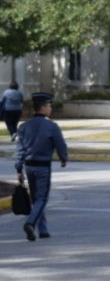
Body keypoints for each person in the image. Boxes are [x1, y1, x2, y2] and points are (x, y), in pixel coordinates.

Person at [14, 92, 68, 241]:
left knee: (36, 197)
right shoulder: (51, 126)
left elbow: (20, 149)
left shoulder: (24, 126)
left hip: (29, 167)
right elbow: (60, 145)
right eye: (49, 105)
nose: (51, 108)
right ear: (43, 107)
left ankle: (43, 229)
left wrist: (19, 169)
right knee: (42, 198)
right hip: (43, 167)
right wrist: (63, 158)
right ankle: (30, 223)